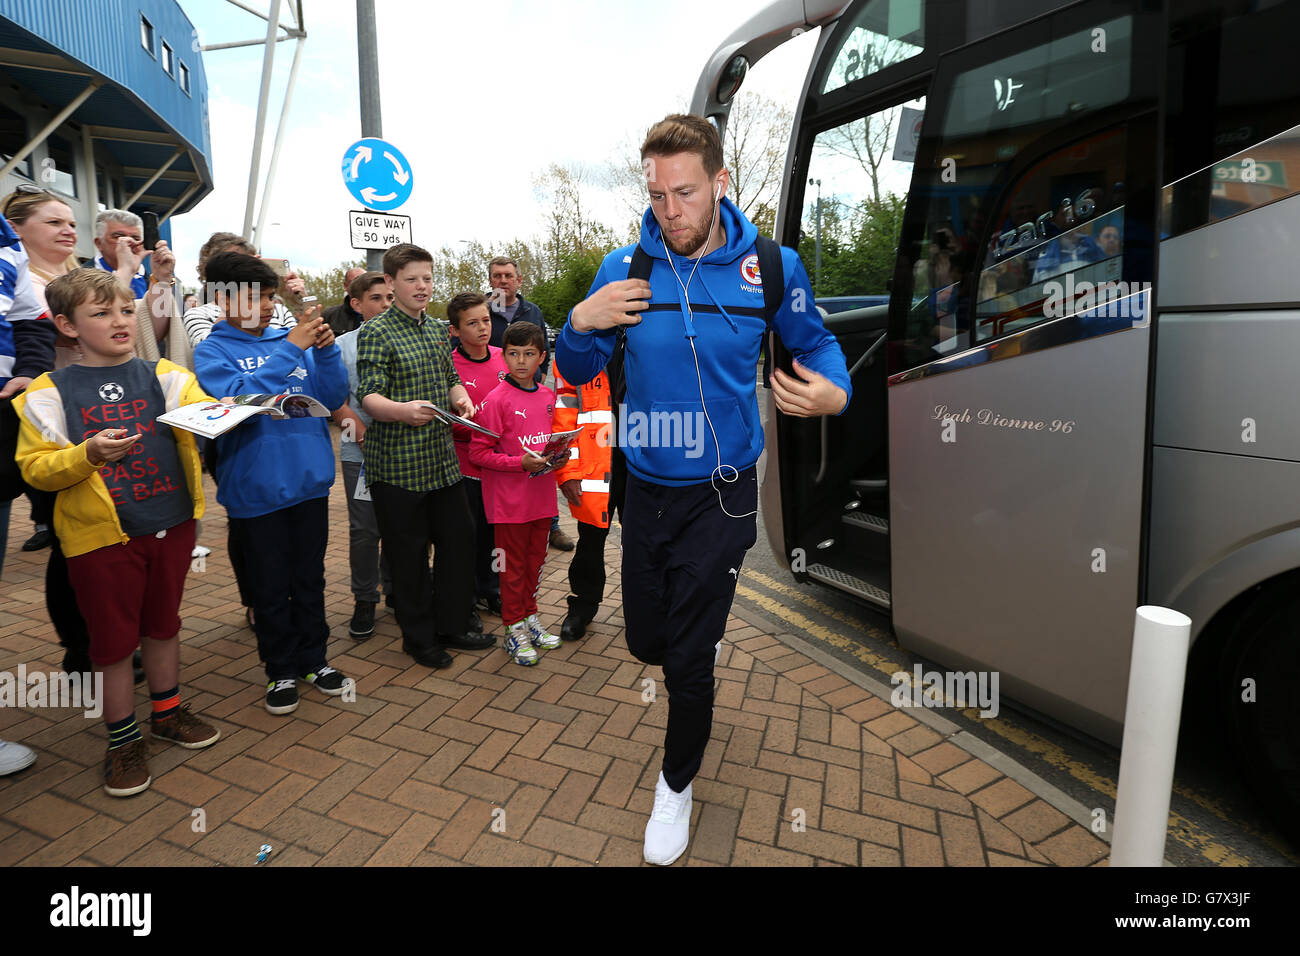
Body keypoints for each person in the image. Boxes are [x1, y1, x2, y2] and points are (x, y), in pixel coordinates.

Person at [555, 113, 852, 865]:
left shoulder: (773, 269)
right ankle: (690, 641)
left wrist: (834, 394)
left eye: (684, 193)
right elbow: (575, 363)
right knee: (646, 642)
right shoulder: (625, 268)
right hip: (645, 491)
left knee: (686, 664)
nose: (669, 211)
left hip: (723, 495)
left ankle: (676, 785)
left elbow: (816, 341)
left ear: (719, 183)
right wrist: (579, 320)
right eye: (656, 195)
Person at [14, 269, 222, 797]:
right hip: (101, 539)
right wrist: (86, 454)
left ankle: (168, 712)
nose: (120, 321)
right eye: (101, 313)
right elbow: (36, 468)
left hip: (171, 524)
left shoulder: (167, 374)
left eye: (126, 310)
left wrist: (226, 416)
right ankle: (122, 739)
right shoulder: (48, 391)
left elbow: (204, 415)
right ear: (67, 325)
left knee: (163, 624)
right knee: (110, 645)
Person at [193, 252, 350, 716]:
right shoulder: (212, 350)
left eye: (268, 296)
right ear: (222, 300)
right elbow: (238, 400)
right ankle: (279, 668)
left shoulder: (293, 339)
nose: (266, 306)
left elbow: (333, 397)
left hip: (308, 485)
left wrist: (324, 350)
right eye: (254, 298)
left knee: (309, 578)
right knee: (268, 585)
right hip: (255, 492)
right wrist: (293, 348)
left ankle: (314, 661)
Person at [355, 243, 495, 669]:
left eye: (428, 278)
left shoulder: (437, 330)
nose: (422, 286)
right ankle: (418, 639)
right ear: (391, 282)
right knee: (409, 556)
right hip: (397, 467)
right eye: (412, 278)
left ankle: (452, 623)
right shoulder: (376, 332)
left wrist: (461, 400)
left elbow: (451, 378)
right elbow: (369, 395)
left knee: (458, 543)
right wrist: (402, 411)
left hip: (440, 462)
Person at [469, 321, 563, 665]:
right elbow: (479, 453)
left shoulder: (548, 396)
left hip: (542, 500)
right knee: (511, 568)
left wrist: (558, 456)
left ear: (541, 357)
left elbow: (547, 445)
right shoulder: (496, 400)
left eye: (528, 354)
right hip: (509, 504)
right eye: (513, 353)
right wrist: (519, 464)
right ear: (504, 355)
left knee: (536, 564)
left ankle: (530, 617)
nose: (520, 361)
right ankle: (513, 629)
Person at [488, 256, 572, 552]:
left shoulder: (532, 310)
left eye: (508, 275)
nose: (502, 281)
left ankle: (552, 525)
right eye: (497, 276)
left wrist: (540, 380)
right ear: (490, 281)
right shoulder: (485, 312)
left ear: (519, 280)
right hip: (501, 400)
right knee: (512, 457)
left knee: (542, 452)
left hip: (532, 396)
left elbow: (544, 351)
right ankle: (512, 526)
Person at [331, 270, 396, 639]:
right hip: (362, 454)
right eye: (376, 298)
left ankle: (397, 591)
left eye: (389, 297)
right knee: (366, 530)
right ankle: (364, 598)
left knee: (401, 525)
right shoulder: (342, 346)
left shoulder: (408, 338)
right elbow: (335, 401)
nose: (386, 304)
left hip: (404, 454)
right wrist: (365, 438)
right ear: (356, 304)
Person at [552, 342, 626, 640]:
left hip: (644, 463)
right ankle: (582, 606)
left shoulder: (651, 336)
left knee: (644, 545)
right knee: (590, 542)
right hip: (597, 467)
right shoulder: (578, 352)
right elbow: (564, 415)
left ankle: (643, 611)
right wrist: (567, 471)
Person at [447, 291, 507, 619]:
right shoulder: (448, 366)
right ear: (455, 330)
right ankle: (466, 595)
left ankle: (492, 589)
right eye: (472, 323)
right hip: (466, 468)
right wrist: (483, 430)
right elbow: (447, 422)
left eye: (486, 320)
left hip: (501, 468)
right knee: (467, 536)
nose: (482, 328)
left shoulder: (503, 357)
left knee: (496, 535)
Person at [183, 231, 300, 347]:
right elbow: (207, 349)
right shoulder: (198, 314)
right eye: (236, 264)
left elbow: (302, 346)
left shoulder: (277, 310)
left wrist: (300, 300)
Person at [90, 209, 150, 299]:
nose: (130, 242)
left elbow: (161, 312)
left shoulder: (149, 278)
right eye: (119, 237)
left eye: (136, 238)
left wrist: (162, 279)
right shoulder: (77, 280)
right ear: (99, 243)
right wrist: (125, 270)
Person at [322, 266, 367, 337]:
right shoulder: (329, 316)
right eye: (356, 282)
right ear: (346, 286)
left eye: (365, 282)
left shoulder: (380, 312)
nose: (361, 286)